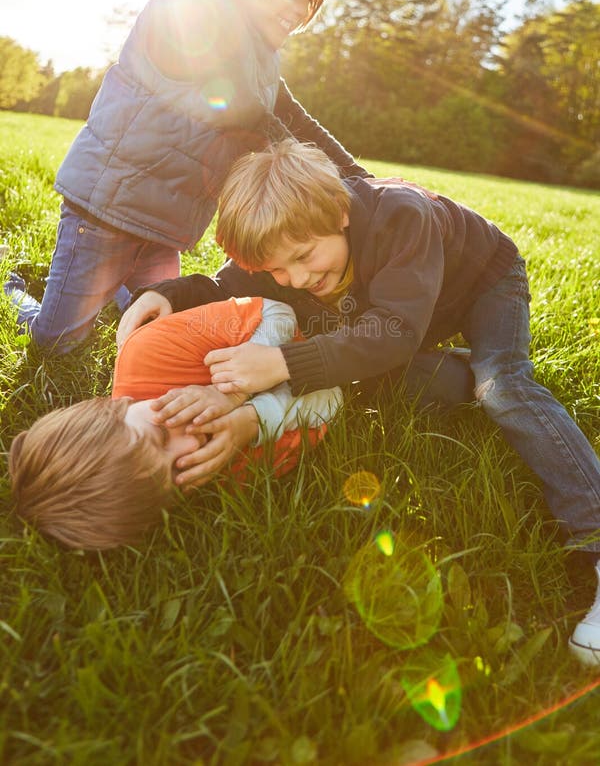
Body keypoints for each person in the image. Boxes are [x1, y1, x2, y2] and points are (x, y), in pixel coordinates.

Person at [120, 139, 600, 666]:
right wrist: (170, 294)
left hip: (482, 284)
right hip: (404, 314)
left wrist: (284, 364)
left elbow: (393, 331)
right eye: (278, 271)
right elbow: (226, 283)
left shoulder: (402, 218)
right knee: (383, 380)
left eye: (304, 258)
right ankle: (465, 368)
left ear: (341, 214)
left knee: (502, 388)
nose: (296, 279)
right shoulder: (292, 250)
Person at [2, 0, 373, 353]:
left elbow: (294, 119)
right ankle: (19, 297)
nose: (300, 10)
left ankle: (110, 291)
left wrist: (360, 179)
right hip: (106, 211)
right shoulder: (193, 5)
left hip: (164, 225)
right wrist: (315, 181)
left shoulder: (262, 55)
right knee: (57, 344)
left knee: (155, 327)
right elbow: (243, 111)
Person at [9, 295, 342, 549]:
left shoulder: (148, 353)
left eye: (160, 434)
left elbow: (276, 311)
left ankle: (14, 291)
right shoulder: (228, 476)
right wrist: (253, 422)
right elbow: (334, 396)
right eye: (176, 476)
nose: (191, 445)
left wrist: (232, 392)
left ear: (115, 405)